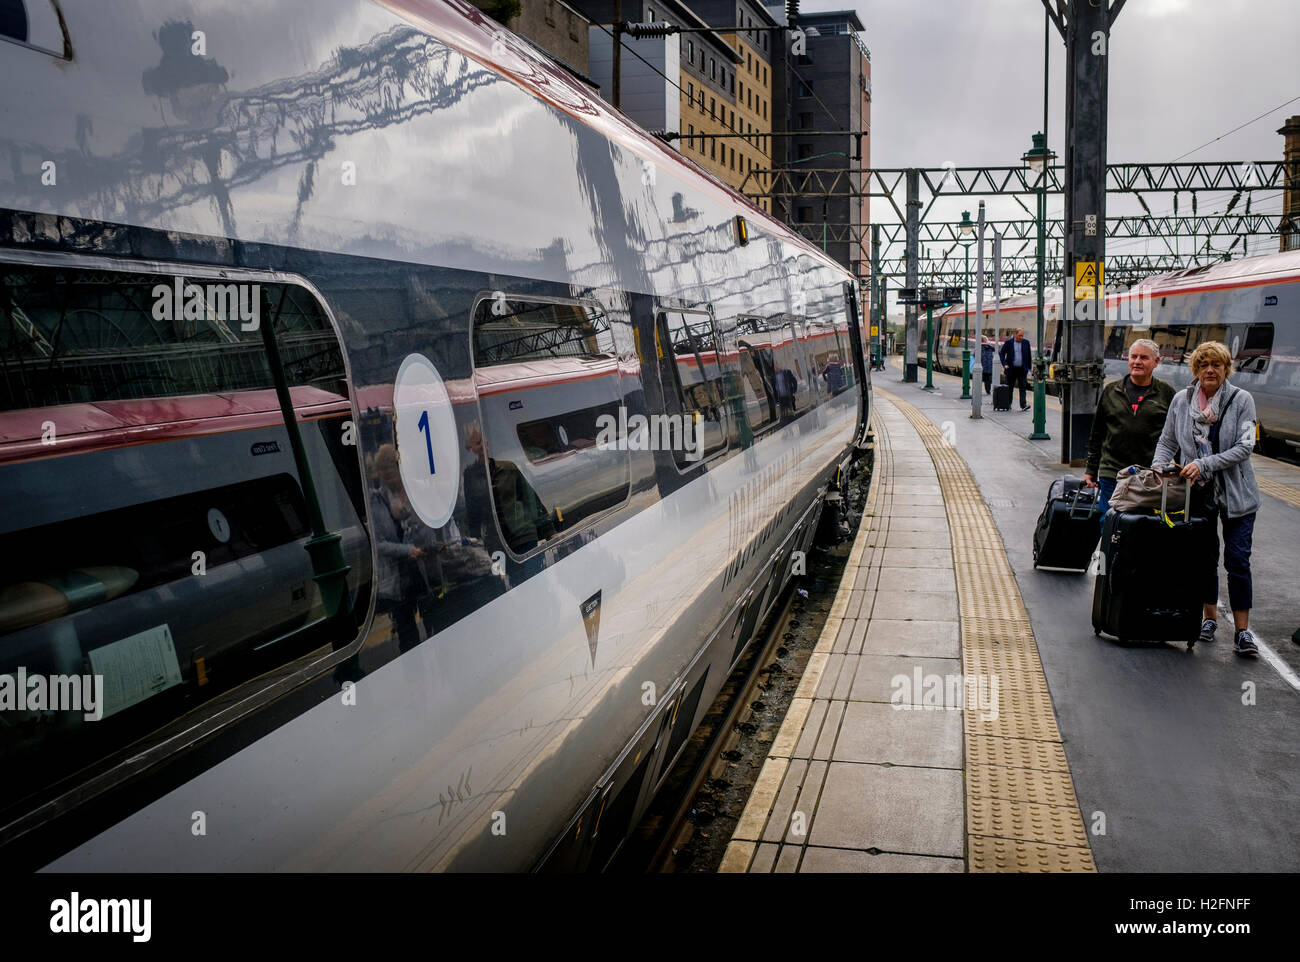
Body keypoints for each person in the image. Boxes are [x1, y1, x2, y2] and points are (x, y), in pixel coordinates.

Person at [1152, 341, 1262, 656]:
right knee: (1203, 559)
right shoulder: (1181, 401)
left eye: (1216, 365)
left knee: (1237, 561)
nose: (1210, 371)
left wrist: (1203, 463)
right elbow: (1167, 440)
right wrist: (1158, 468)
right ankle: (1209, 619)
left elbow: (1244, 447)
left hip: (1237, 496)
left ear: (1226, 369)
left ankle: (1242, 631)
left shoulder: (1242, 400)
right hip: (1196, 494)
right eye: (1203, 366)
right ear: (1196, 370)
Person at [1083, 338, 1175, 518]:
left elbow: (1175, 436)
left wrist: (1177, 471)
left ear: (1156, 362)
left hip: (1150, 474)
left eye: (1144, 357)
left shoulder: (1167, 394)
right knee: (1110, 519)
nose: (1137, 362)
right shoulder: (1111, 391)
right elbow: (1097, 434)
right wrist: (1091, 471)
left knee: (1142, 522)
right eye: (1133, 357)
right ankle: (1109, 547)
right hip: (1112, 471)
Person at [370, 443, 426, 652]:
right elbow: (377, 544)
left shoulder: (416, 490)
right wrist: (407, 550)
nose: (387, 471)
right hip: (397, 578)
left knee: (431, 617)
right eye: (382, 468)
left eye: (391, 466)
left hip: (422, 570)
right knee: (407, 632)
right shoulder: (376, 500)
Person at [999, 328, 1033, 411]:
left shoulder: (1026, 342)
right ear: (1015, 335)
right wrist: (1005, 364)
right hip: (1011, 368)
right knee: (1010, 387)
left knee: (1023, 387)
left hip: (1022, 369)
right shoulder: (1009, 342)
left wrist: (1029, 368)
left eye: (1022, 336)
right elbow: (1001, 353)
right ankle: (1008, 404)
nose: (1021, 337)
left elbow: (1029, 356)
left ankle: (1023, 405)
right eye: (1019, 336)